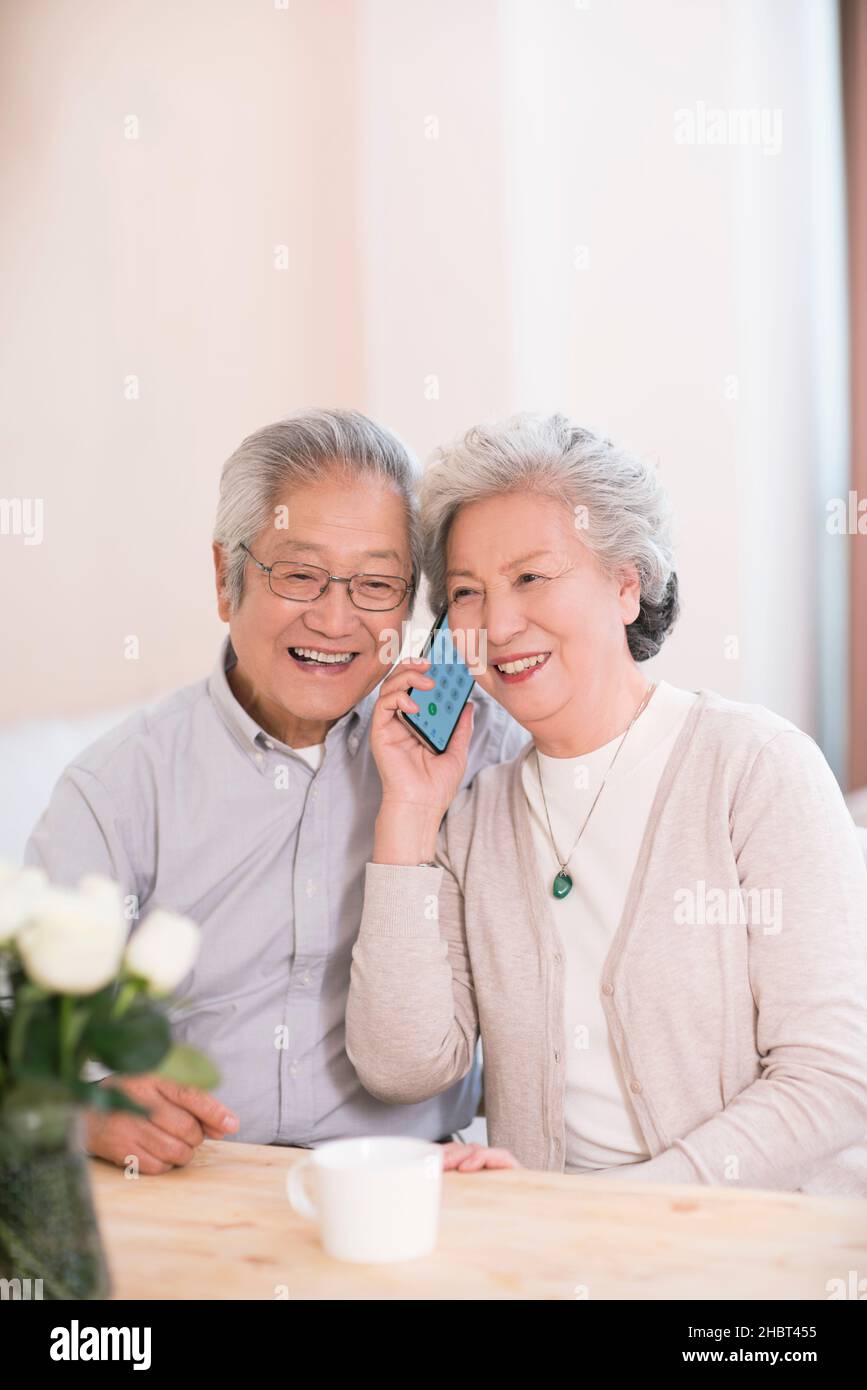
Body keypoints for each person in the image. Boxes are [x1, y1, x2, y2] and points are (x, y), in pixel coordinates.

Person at [346, 413, 867, 1194]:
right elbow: (402, 1065)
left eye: (531, 576)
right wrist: (409, 818)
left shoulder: (754, 768)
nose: (499, 622)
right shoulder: (474, 813)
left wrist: (608, 1209)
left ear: (627, 584)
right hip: (558, 1258)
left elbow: (835, 1080)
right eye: (465, 593)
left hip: (749, 1258)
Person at [24, 409, 527, 1174]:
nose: (333, 618)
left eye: (375, 583)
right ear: (226, 581)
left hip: (415, 1178)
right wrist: (85, 1106)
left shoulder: (477, 749)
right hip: (190, 1178)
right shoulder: (120, 782)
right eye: (297, 573)